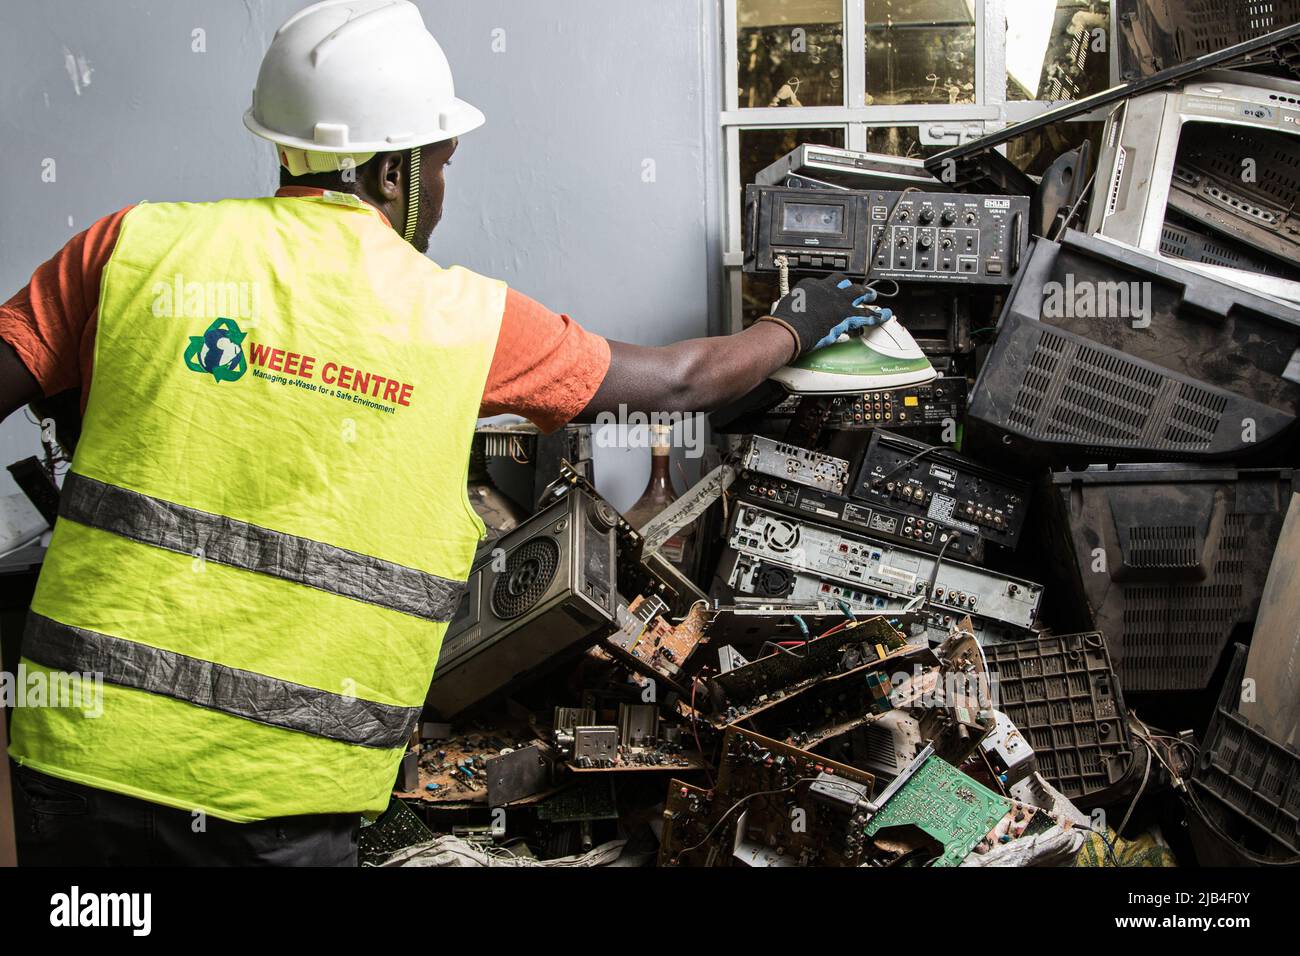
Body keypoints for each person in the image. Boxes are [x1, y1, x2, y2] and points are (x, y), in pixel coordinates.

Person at [0, 0, 877, 866]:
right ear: (394, 174)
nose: (445, 191)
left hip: (80, 753)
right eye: (442, 162)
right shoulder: (456, 317)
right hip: (280, 785)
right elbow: (682, 380)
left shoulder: (132, 246)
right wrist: (797, 324)